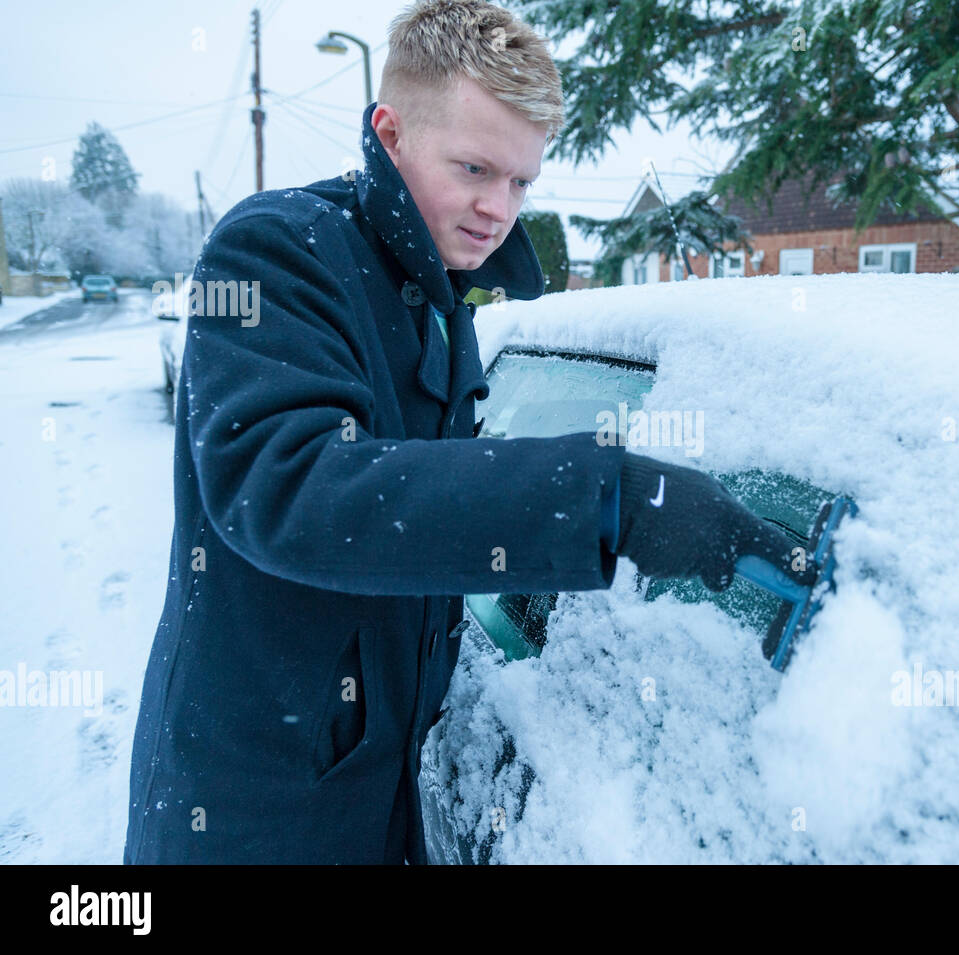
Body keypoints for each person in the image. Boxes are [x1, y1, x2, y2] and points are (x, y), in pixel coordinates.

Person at [124, 0, 810, 864]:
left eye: (522, 182)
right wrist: (610, 499)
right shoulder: (275, 252)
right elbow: (290, 488)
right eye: (476, 168)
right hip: (256, 801)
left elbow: (437, 513)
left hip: (381, 787)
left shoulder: (442, 289)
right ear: (391, 129)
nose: (500, 210)